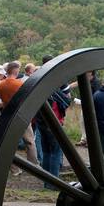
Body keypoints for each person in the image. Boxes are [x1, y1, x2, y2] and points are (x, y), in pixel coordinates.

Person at [34, 56, 72, 185]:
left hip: (40, 119)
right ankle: (53, 182)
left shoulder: (37, 76)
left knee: (46, 151)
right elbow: (67, 97)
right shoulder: (59, 77)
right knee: (55, 151)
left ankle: (46, 181)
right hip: (54, 120)